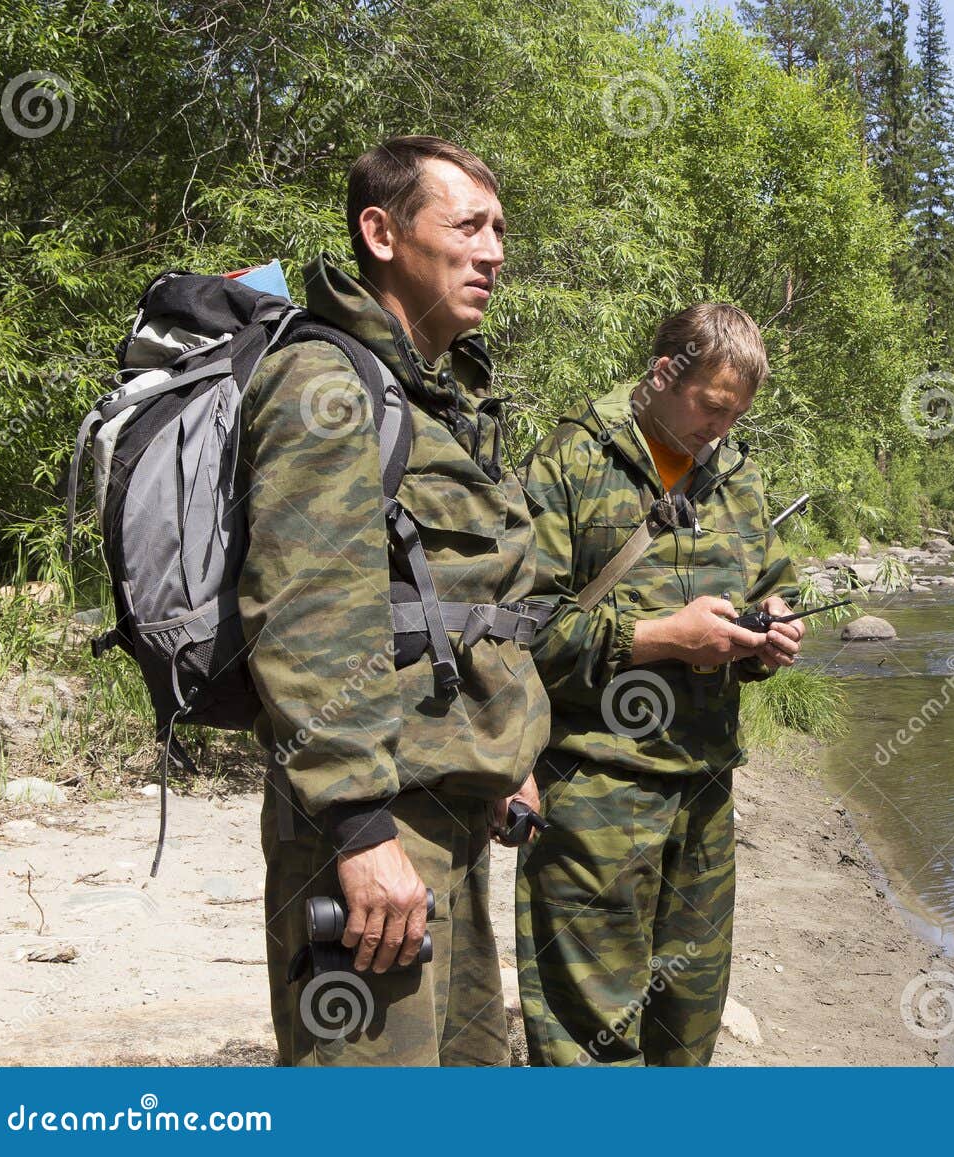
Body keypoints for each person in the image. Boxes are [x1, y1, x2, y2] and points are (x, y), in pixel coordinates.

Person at [239, 136, 549, 1065]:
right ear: (381, 232)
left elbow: (460, 605)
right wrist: (360, 827)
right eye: (467, 226)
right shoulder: (327, 385)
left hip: (447, 816)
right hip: (370, 827)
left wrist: (508, 753)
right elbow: (305, 614)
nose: (493, 250)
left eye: (499, 229)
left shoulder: (436, 399)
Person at [514, 303, 801, 1065]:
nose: (721, 430)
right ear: (664, 373)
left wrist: (771, 630)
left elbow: (773, 579)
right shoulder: (572, 461)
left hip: (704, 795)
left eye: (736, 416)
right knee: (590, 1041)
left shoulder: (735, 476)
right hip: (595, 793)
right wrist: (663, 638)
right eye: (711, 408)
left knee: (687, 1032)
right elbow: (519, 631)